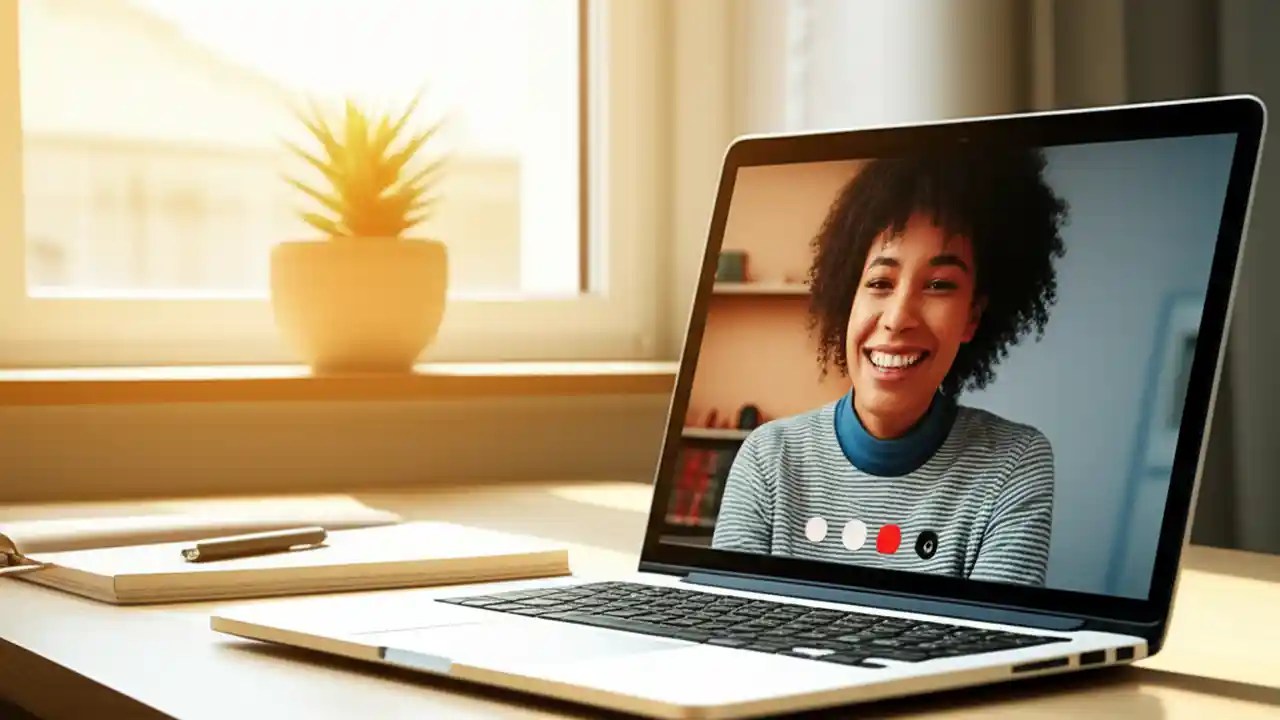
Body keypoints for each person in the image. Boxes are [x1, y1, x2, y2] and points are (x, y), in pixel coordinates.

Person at [711, 148, 1068, 587]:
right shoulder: (768, 460)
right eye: (880, 282)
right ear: (848, 299)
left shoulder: (1013, 466)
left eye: (938, 285)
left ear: (973, 316)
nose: (898, 317)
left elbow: (992, 649)